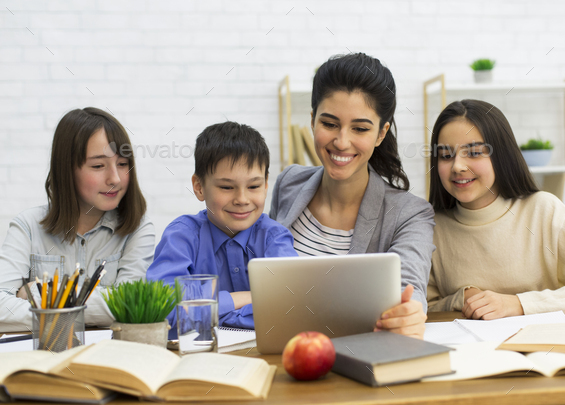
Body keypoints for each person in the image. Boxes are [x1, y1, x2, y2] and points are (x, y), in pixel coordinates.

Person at [270, 53, 435, 340]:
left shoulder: (410, 213)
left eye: (359, 128)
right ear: (312, 120)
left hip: (360, 355)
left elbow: (409, 287)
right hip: (283, 353)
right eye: (330, 124)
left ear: (381, 133)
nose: (342, 142)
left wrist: (407, 313)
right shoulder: (288, 185)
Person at [427, 99, 565, 319]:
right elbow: (424, 306)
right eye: (446, 155)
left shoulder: (544, 210)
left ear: (501, 156)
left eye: (474, 153)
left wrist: (518, 304)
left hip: (545, 346)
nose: (457, 166)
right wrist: (464, 299)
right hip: (474, 351)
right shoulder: (431, 228)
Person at [0, 107, 155, 332]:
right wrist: (90, 310)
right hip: (44, 360)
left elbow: (129, 306)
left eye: (122, 164)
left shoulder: (138, 228)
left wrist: (38, 294)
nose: (115, 178)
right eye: (98, 166)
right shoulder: (28, 226)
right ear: (66, 170)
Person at [147, 121, 297, 336]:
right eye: (227, 187)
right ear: (199, 187)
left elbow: (290, 307)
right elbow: (161, 310)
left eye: (253, 186)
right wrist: (248, 298)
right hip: (194, 358)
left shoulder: (274, 237)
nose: (242, 199)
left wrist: (213, 312)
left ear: (265, 185)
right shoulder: (182, 236)